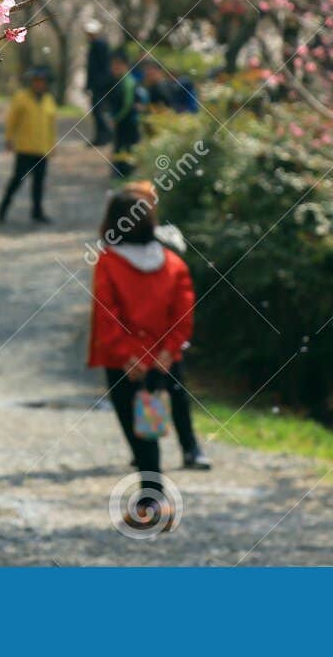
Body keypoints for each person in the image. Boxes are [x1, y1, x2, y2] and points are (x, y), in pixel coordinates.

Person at [88, 186, 196, 530]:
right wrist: (168, 351)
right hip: (160, 360)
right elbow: (183, 311)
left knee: (137, 431)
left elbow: (106, 313)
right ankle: (153, 497)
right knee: (149, 425)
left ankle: (153, 500)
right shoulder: (173, 263)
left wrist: (125, 354)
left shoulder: (109, 262)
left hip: (123, 363)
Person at [127, 181, 210, 469]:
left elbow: (181, 302)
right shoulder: (120, 250)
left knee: (175, 391)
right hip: (141, 338)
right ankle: (146, 451)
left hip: (165, 337)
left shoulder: (165, 243)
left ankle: (189, 447)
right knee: (145, 393)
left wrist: (171, 346)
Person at [0, 67, 57, 224]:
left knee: (39, 183)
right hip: (25, 149)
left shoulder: (49, 100)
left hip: (42, 149)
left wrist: (52, 145)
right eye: (36, 81)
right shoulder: (21, 97)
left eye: (42, 82)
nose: (39, 84)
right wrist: (9, 138)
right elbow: (12, 120)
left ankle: (37, 212)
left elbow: (51, 126)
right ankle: (3, 208)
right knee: (17, 180)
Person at [107, 54, 142, 179]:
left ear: (124, 65)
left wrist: (116, 118)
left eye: (117, 65)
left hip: (128, 122)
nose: (114, 68)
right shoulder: (118, 80)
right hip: (122, 122)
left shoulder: (128, 81)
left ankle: (125, 174)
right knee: (119, 147)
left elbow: (127, 104)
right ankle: (119, 174)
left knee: (126, 148)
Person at [84, 21, 115, 146]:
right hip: (97, 84)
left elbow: (100, 68)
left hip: (100, 85)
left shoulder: (100, 45)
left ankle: (104, 136)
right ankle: (101, 136)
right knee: (97, 111)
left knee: (99, 111)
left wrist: (96, 84)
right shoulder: (95, 45)